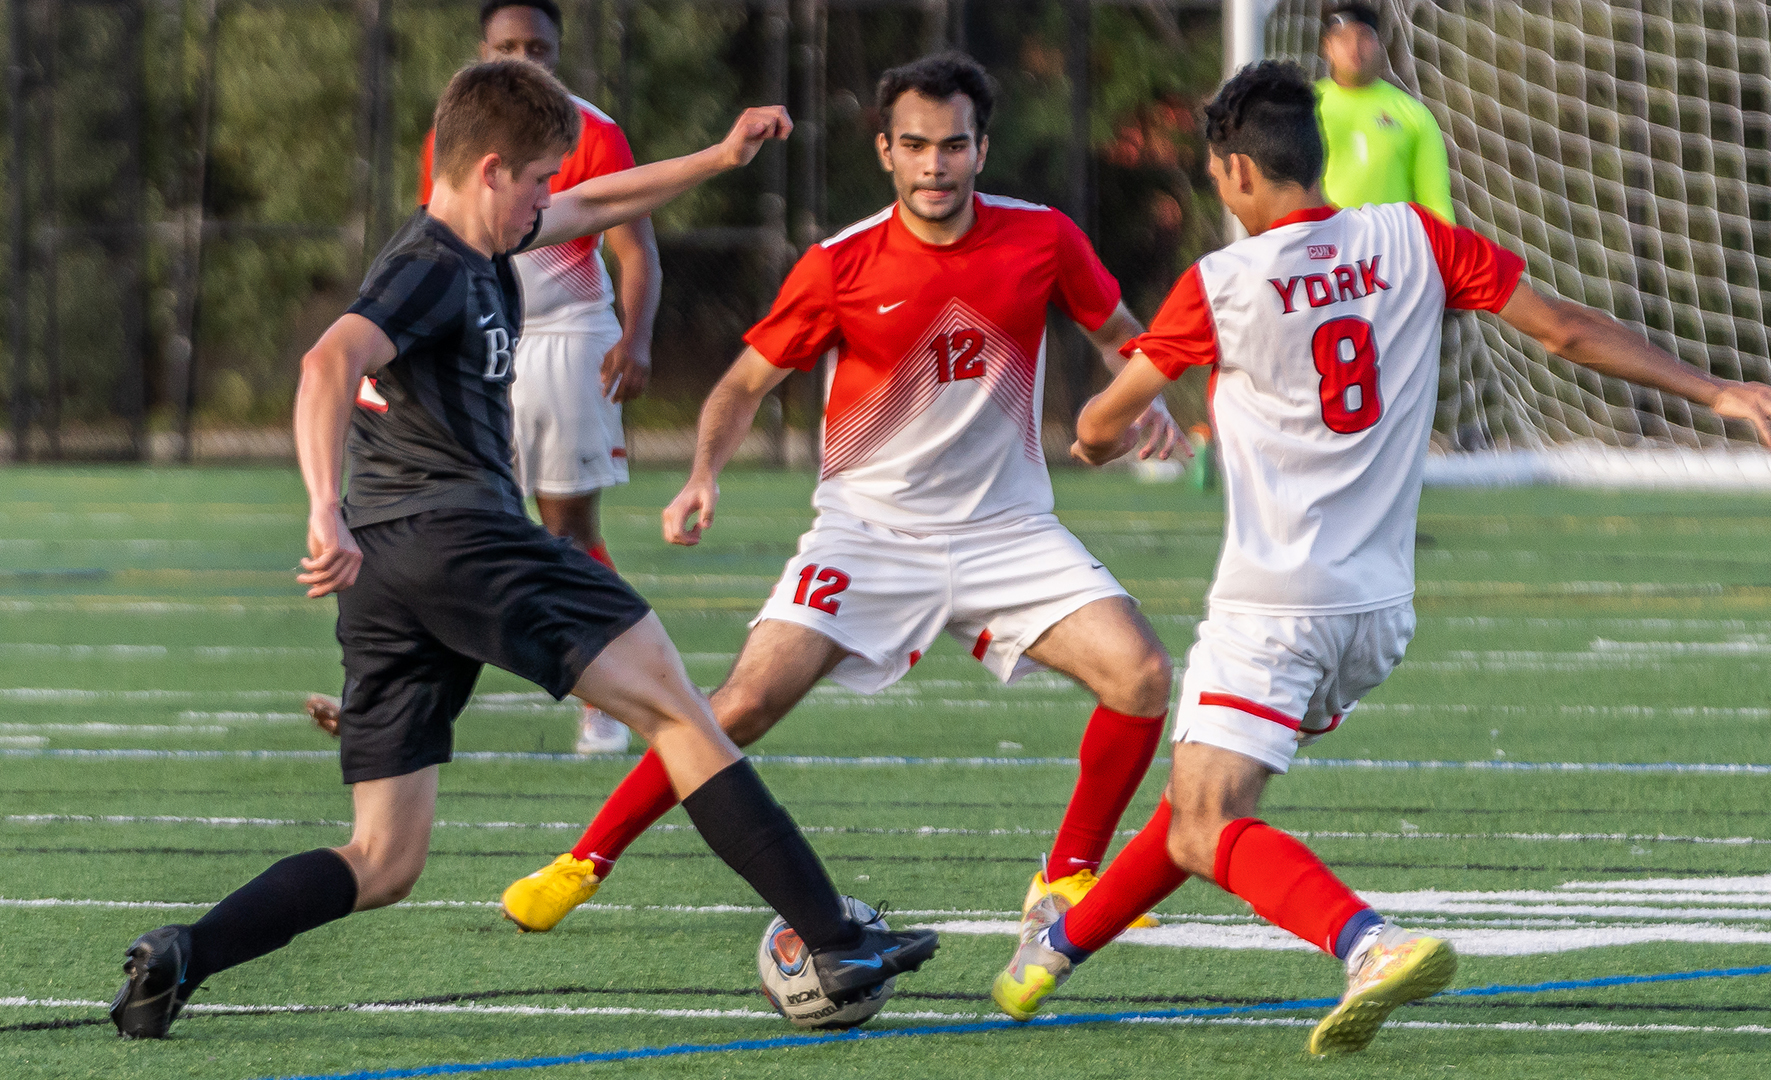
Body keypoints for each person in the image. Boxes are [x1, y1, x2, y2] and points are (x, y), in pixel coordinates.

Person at [991, 60, 1771, 1055]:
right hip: (1377, 613)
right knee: (1202, 811)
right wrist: (1718, 393)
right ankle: (1052, 953)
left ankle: (1366, 943)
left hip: (1274, 605)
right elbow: (1565, 331)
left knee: (1210, 822)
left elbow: (1098, 422)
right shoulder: (1413, 240)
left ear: (1238, 175)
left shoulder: (1222, 285)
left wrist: (1105, 435)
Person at [107, 60, 936, 1041]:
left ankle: (183, 955)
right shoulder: (432, 264)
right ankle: (833, 933)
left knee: (383, 859)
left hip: (389, 579)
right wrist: (319, 508)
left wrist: (716, 156)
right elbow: (327, 360)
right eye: (536, 177)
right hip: (460, 537)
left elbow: (594, 204)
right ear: (491, 169)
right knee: (679, 708)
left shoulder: (485, 239)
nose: (548, 197)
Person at [495, 52, 1191, 936]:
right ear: (884, 152)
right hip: (867, 535)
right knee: (742, 702)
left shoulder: (1043, 238)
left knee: (1140, 675)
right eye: (915, 146)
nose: (935, 165)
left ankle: (1067, 879)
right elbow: (742, 385)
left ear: (982, 148)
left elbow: (1121, 335)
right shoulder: (840, 264)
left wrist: (1148, 400)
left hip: (1004, 529)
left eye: (953, 145)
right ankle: (582, 860)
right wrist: (704, 474)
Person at [308, 0, 658, 754]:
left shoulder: (590, 129)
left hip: (566, 337)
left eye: (541, 46)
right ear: (484, 49)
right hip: (479, 341)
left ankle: (608, 690)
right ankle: (385, 692)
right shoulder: (456, 145)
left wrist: (637, 334)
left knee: (557, 526)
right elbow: (427, 253)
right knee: (468, 523)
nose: (527, 58)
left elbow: (616, 224)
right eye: (511, 45)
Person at [1316, 2, 1454, 222]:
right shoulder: (1304, 108)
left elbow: (1436, 204)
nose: (1354, 47)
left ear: (1380, 44)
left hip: (1392, 252)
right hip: (1322, 251)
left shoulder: (1413, 115)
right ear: (1327, 46)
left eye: (1364, 37)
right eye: (1343, 38)